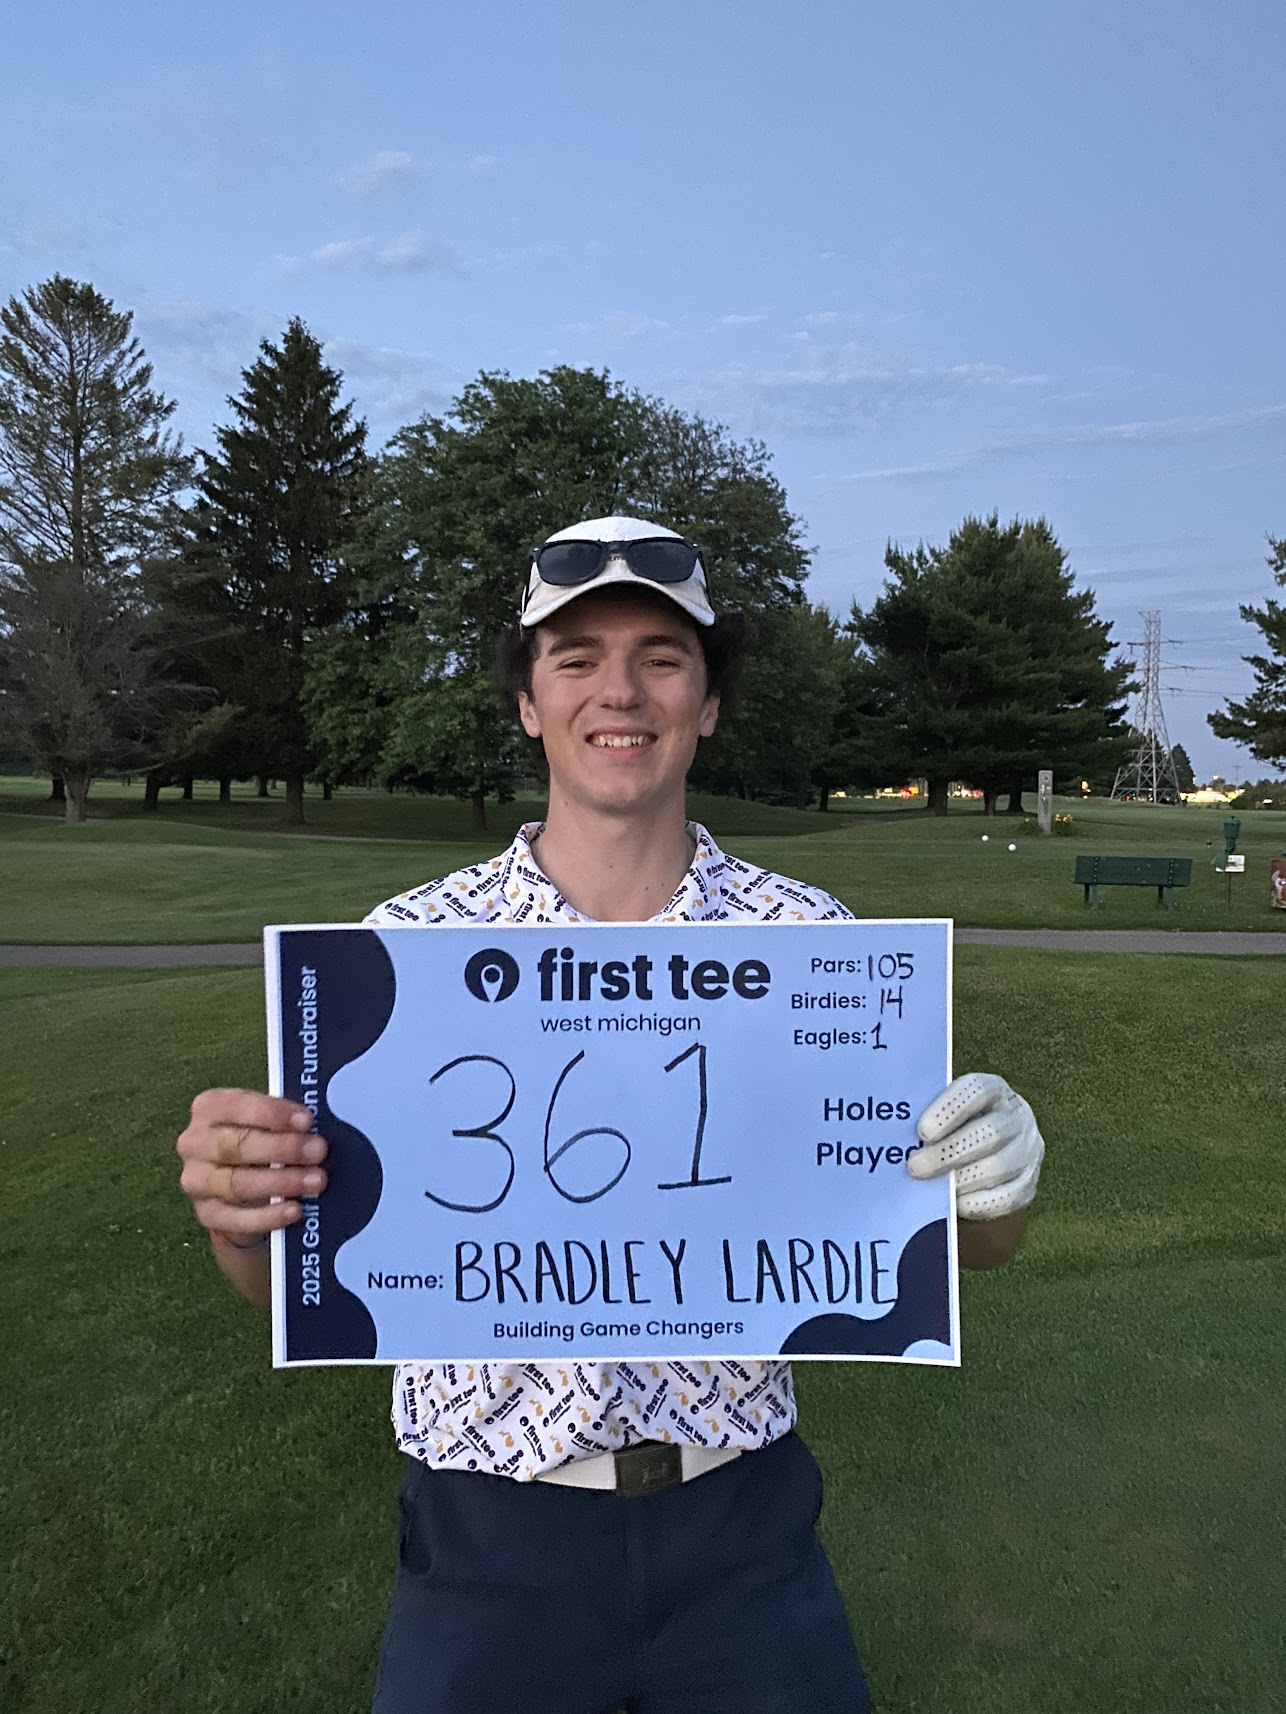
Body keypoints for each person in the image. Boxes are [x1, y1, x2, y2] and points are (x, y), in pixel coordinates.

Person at [176, 516, 1045, 1714]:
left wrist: (993, 1176)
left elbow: (958, 1248)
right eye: (575, 658)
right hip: (486, 1541)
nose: (619, 691)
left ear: (708, 702)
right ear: (526, 702)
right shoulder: (404, 950)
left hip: (742, 1530)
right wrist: (240, 1214)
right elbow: (295, 1284)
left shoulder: (813, 945)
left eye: (661, 657)